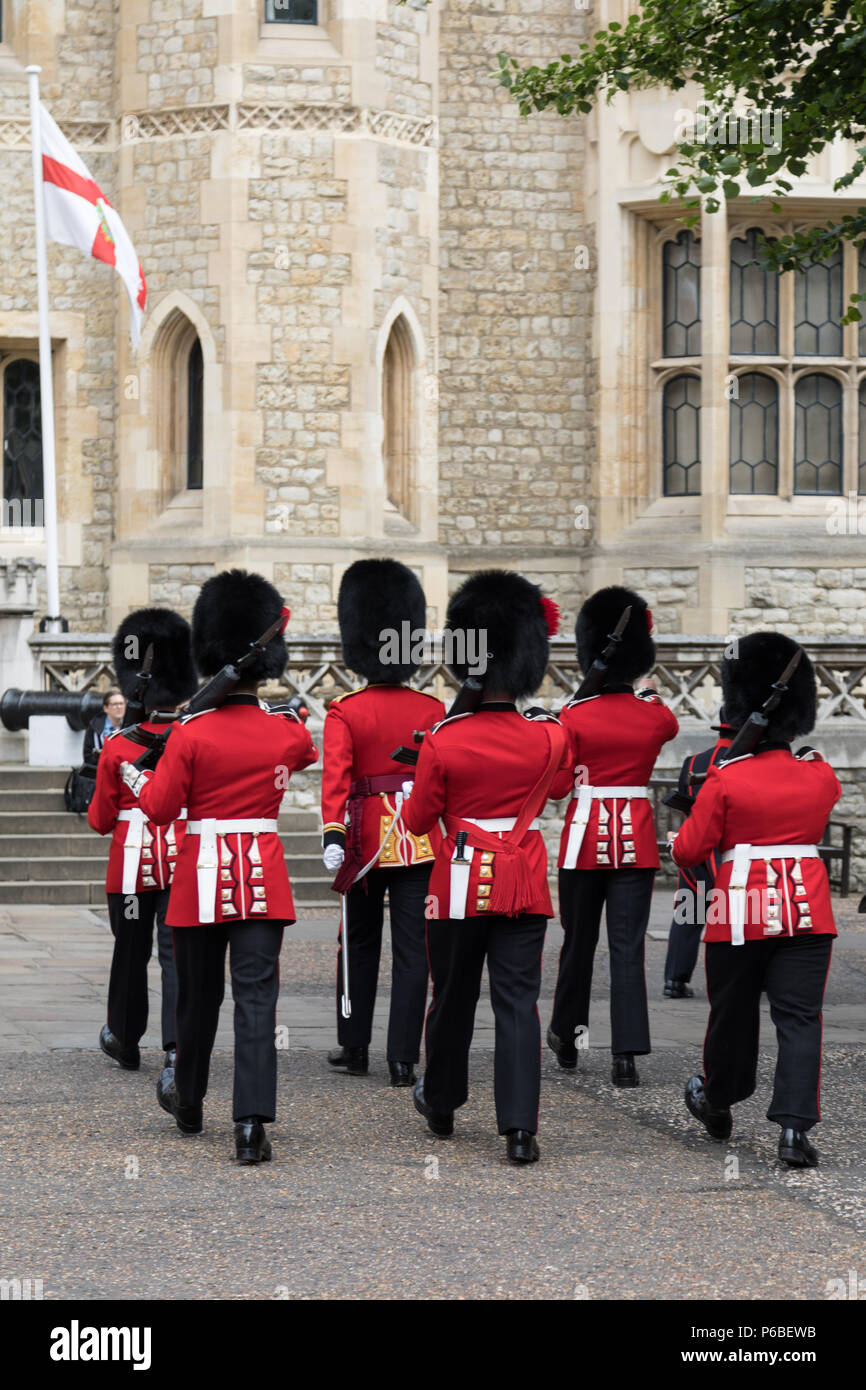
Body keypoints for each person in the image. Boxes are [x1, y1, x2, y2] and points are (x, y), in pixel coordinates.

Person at [120, 570, 318, 1165]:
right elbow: (305, 749)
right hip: (261, 876)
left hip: (201, 877)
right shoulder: (284, 732)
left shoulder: (191, 734)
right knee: (256, 1000)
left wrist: (133, 772)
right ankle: (252, 1123)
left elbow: (158, 810)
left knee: (197, 1000)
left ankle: (190, 1099)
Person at [403, 570, 573, 1165]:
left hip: (457, 885)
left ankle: (444, 1101)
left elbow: (420, 821)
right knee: (518, 1002)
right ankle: (520, 1129)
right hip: (524, 883)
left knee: (451, 995)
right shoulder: (550, 735)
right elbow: (556, 794)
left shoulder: (443, 740)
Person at [673, 632, 839, 1168]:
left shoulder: (726, 780)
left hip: (738, 912)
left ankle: (718, 1101)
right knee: (800, 1019)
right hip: (808, 910)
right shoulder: (819, 775)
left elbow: (690, 848)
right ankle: (794, 1130)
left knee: (732, 1014)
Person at [547, 586, 678, 1087]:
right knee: (628, 947)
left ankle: (567, 1038)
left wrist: (571, 714)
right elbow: (668, 722)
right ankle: (625, 1056)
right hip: (636, 842)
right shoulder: (653, 714)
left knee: (578, 942)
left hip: (584, 841)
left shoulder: (574, 716)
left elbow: (559, 788)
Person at [321, 558, 444, 1085]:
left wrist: (333, 833)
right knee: (414, 951)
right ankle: (403, 1059)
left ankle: (355, 1048)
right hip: (418, 839)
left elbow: (336, 780)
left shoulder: (345, 710)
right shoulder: (432, 708)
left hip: (363, 840)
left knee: (359, 944)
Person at [88, 611, 195, 1073]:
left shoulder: (118, 746)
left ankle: (126, 1038)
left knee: (131, 950)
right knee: (175, 952)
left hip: (132, 865)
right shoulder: (193, 737)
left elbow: (99, 819)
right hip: (179, 859)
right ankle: (175, 1045)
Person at [663, 717, 735, 998]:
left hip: (697, 848)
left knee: (688, 915)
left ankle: (674, 981)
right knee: (740, 913)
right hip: (732, 850)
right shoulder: (749, 762)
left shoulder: (694, 762)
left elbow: (685, 801)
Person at [83, 686, 127, 766]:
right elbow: (88, 756)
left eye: (121, 704)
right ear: (106, 708)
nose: (119, 707)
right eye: (115, 704)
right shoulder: (95, 727)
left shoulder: (130, 726)